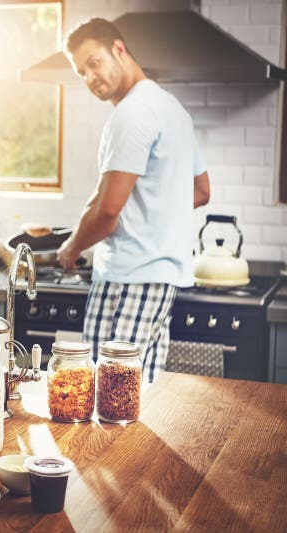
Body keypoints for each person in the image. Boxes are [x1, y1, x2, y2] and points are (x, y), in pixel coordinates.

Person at [56, 18, 211, 383]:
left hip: (129, 275)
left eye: (94, 62)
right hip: (160, 277)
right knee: (140, 395)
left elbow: (108, 210)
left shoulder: (131, 114)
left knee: (104, 392)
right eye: (82, 72)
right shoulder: (172, 108)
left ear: (119, 49)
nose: (90, 77)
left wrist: (72, 248)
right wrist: (156, 216)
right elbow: (201, 190)